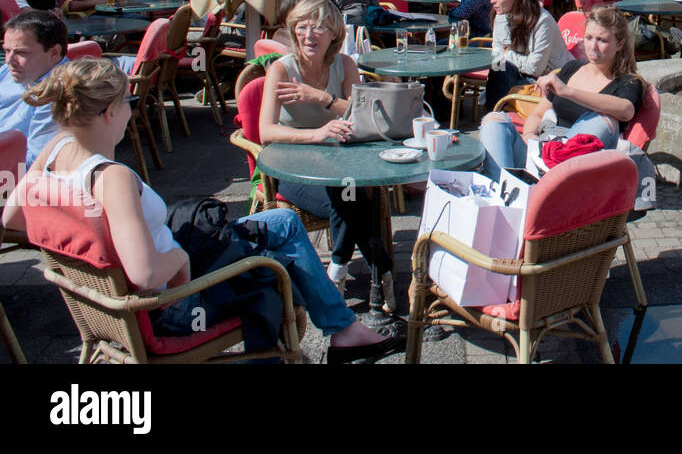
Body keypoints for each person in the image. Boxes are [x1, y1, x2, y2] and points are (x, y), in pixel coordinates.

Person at [2, 57, 400, 363]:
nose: (129, 112)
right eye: (129, 103)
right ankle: (331, 333)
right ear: (109, 112)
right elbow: (144, 274)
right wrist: (174, 256)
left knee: (282, 220)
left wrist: (79, 238)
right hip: (170, 309)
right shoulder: (111, 178)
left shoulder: (53, 153)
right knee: (273, 267)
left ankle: (342, 328)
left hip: (108, 303)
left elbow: (12, 219)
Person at [259, 0, 400, 318]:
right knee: (354, 201)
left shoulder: (345, 65)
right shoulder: (281, 69)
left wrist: (321, 98)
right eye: (302, 26)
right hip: (294, 169)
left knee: (347, 194)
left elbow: (364, 116)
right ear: (293, 31)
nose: (309, 35)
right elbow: (266, 131)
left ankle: (338, 273)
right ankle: (384, 274)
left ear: (334, 33)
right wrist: (315, 134)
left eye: (318, 27)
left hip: (339, 165)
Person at [477, 7, 643, 180]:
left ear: (620, 44)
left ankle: (541, 185)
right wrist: (529, 137)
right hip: (542, 151)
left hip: (574, 168)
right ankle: (504, 192)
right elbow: (538, 114)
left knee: (602, 121)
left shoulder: (628, 82)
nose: (593, 46)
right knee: (494, 120)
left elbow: (626, 110)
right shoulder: (572, 69)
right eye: (589, 38)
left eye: (602, 40)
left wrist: (567, 91)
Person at [485, 0, 570, 109]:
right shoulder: (501, 15)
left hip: (550, 79)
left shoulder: (543, 21)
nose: (492, 0)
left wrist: (507, 54)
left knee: (502, 69)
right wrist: (504, 57)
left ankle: (495, 114)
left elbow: (535, 68)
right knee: (499, 70)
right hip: (519, 73)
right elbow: (497, 54)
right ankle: (494, 116)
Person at [2, 9, 69, 167]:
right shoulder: (11, 71)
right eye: (6, 51)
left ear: (54, 53)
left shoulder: (58, 91)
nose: (9, 60)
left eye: (22, 53)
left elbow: (37, 163)